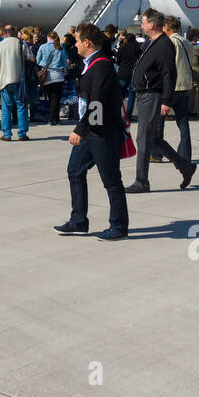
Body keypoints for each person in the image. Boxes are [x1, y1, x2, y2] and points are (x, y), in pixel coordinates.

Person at [53, 23, 129, 240]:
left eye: (77, 40)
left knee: (111, 180)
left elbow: (98, 103)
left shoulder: (102, 66)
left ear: (87, 42)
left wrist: (80, 129)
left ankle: (119, 226)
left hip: (103, 133)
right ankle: (78, 221)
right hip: (91, 131)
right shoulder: (90, 63)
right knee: (74, 170)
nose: (74, 44)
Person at [126, 9, 196, 192]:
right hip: (144, 94)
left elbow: (169, 74)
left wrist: (166, 100)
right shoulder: (152, 43)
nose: (141, 26)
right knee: (154, 138)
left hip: (152, 95)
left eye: (143, 22)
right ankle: (185, 166)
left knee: (143, 138)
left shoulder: (164, 44)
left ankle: (141, 181)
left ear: (152, 24)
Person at [163, 16, 196, 167]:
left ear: (168, 27)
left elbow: (168, 65)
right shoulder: (186, 42)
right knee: (183, 123)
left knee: (158, 122)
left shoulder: (171, 42)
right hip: (185, 84)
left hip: (173, 85)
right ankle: (185, 154)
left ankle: (157, 153)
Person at [0, 25, 29, 141]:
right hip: (18, 80)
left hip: (3, 81)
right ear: (14, 33)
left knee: (6, 108)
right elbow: (32, 58)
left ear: (4, 34)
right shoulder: (21, 44)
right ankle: (22, 134)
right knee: (21, 106)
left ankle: (7, 134)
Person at [36, 30, 68, 125]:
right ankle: (55, 118)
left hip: (47, 75)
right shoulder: (60, 47)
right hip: (59, 75)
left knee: (51, 97)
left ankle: (51, 119)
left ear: (48, 38)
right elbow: (64, 62)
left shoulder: (43, 47)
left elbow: (38, 60)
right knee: (56, 98)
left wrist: (44, 65)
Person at [114, 28, 141, 120]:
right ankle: (128, 116)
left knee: (119, 95)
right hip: (133, 74)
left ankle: (116, 114)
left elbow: (118, 61)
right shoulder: (137, 48)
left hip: (122, 73)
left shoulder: (122, 47)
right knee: (132, 95)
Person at [186, 27, 199, 115]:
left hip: (189, 71)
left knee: (191, 93)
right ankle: (197, 111)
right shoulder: (196, 48)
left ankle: (190, 110)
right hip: (197, 72)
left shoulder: (186, 45)